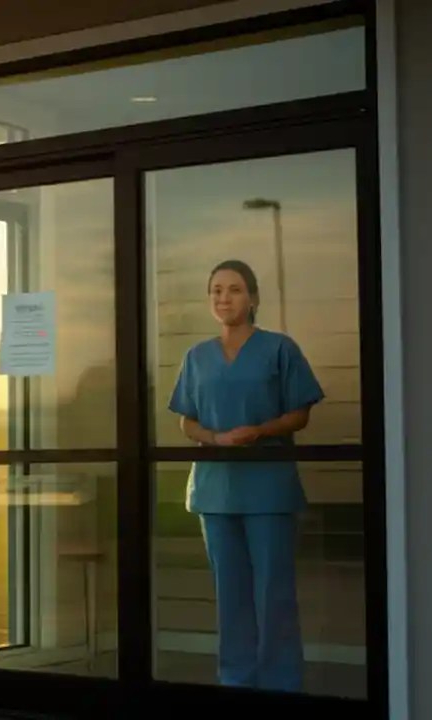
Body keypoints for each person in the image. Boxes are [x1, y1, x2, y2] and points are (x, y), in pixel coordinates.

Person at [168, 259, 324, 693]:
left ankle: (280, 683)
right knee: (230, 596)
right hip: (215, 491)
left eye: (234, 289)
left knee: (274, 593)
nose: (224, 298)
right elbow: (187, 422)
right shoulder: (197, 357)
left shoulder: (279, 349)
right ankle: (236, 682)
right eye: (216, 289)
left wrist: (259, 431)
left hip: (268, 489)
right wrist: (216, 439)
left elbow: (300, 413)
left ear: (253, 298)